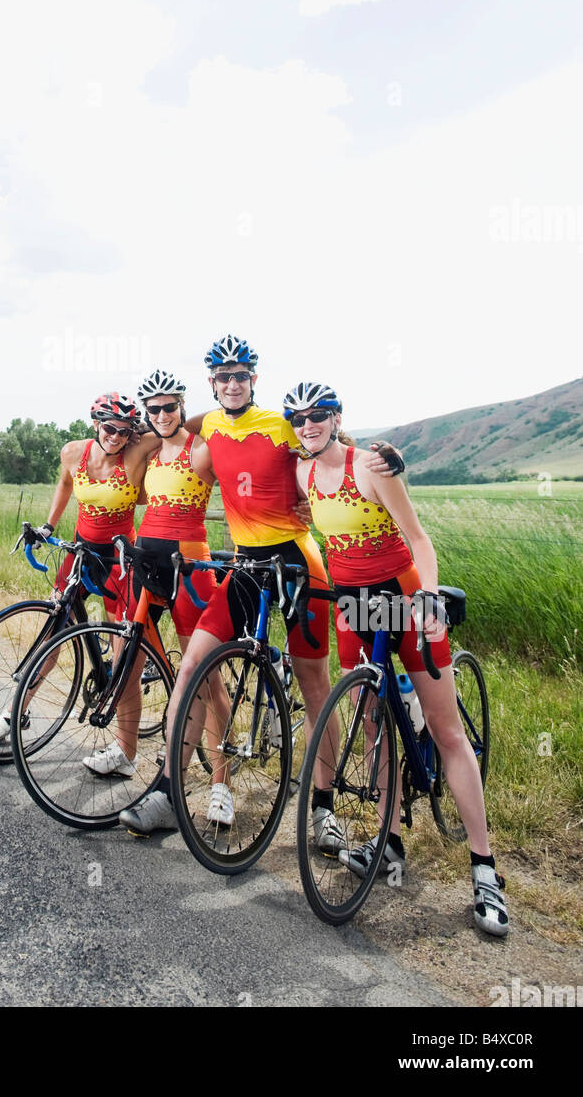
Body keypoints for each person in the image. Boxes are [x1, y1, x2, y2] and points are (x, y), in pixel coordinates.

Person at [120, 333, 402, 841]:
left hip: (298, 560)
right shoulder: (204, 426)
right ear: (211, 383)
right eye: (223, 376)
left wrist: (381, 452)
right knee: (191, 667)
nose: (232, 383)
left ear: (254, 378)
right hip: (247, 563)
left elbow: (333, 450)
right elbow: (165, 435)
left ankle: (323, 808)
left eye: (241, 375)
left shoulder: (279, 425)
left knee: (316, 687)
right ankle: (167, 791)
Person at [285, 380, 508, 937]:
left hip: (403, 600)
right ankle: (389, 843)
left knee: (446, 729)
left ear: (337, 418)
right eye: (297, 418)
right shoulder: (301, 471)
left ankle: (484, 870)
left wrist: (428, 597)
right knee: (372, 724)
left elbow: (419, 538)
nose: (307, 424)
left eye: (318, 415)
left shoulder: (372, 467)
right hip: (353, 606)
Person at [83, 369, 230, 819]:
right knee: (129, 658)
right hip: (145, 561)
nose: (163, 415)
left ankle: (221, 783)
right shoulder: (145, 447)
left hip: (190, 564)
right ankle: (126, 754)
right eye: (155, 409)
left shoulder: (201, 448)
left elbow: (246, 466)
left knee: (207, 673)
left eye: (171, 406)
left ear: (182, 405)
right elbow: (105, 456)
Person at [0, 391, 157, 746]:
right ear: (95, 424)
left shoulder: (134, 452)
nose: (116, 437)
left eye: (124, 431)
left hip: (119, 559)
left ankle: (121, 742)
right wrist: (49, 525)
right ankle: (15, 713)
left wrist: (144, 426)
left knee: (121, 646)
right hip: (81, 550)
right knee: (53, 631)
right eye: (109, 428)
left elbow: (170, 429)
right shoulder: (73, 452)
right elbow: (64, 483)